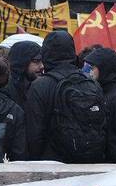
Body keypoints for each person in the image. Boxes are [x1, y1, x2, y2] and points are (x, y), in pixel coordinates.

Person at [25, 29, 107, 162]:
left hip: (53, 164)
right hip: (90, 164)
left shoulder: (40, 86)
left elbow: (35, 135)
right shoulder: (92, 84)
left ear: (46, 54)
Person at [7, 40, 43, 108]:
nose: (42, 66)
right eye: (36, 61)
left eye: (42, 61)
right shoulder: (6, 88)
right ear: (22, 62)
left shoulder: (37, 85)